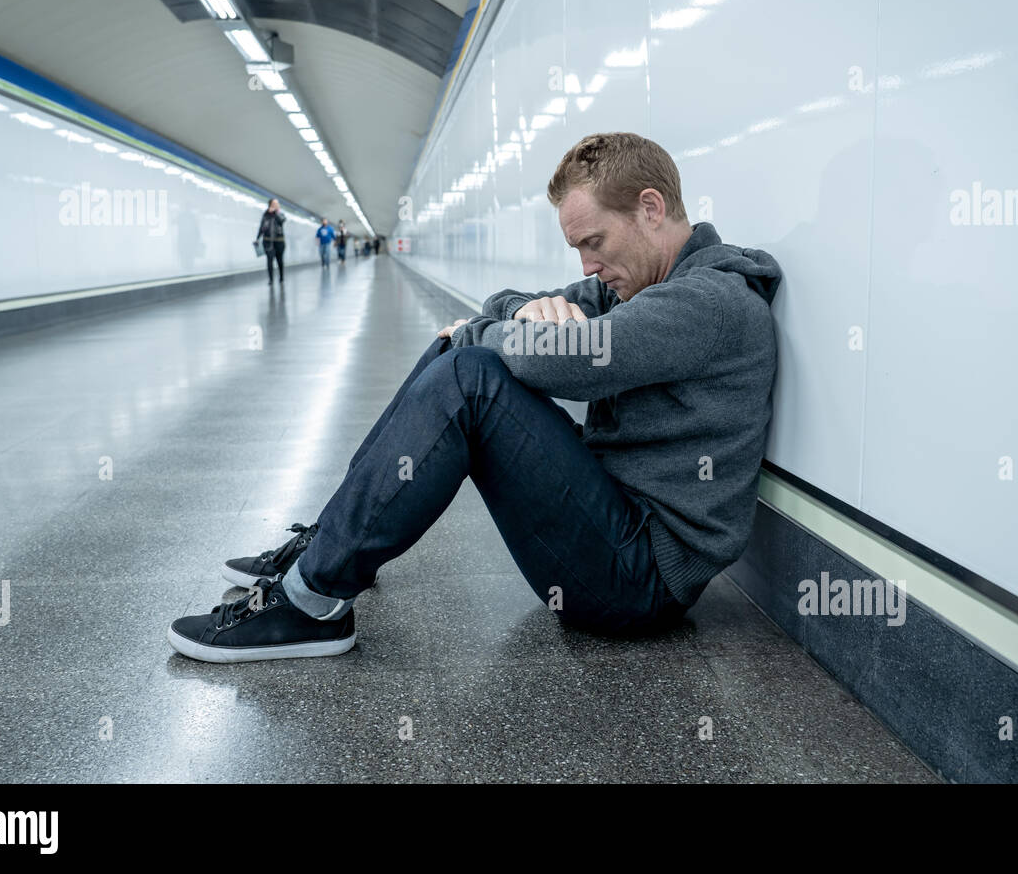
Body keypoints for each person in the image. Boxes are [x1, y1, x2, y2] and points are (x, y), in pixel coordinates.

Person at [168, 132, 782, 662]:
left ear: (650, 208)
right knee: (454, 354)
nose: (589, 266)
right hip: (611, 518)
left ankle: (307, 605)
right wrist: (517, 313)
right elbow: (502, 303)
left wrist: (481, 332)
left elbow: (569, 364)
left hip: (639, 576)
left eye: (594, 241)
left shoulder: (710, 303)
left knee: (470, 373)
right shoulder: (635, 288)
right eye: (578, 251)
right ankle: (328, 542)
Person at [257, 199, 287, 285]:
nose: (277, 205)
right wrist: (258, 238)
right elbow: (261, 227)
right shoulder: (265, 215)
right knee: (269, 260)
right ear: (270, 205)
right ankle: (271, 279)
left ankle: (281, 277)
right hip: (268, 242)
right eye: (275, 203)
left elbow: (281, 221)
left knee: (279, 260)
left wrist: (275, 213)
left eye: (277, 203)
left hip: (279, 242)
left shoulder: (281, 214)